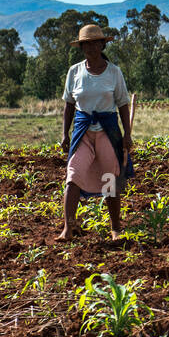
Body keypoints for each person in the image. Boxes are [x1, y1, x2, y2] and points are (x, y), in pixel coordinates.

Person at [57, 24, 133, 242]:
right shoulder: (75, 72)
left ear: (102, 44)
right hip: (83, 130)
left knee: (110, 177)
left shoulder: (114, 72)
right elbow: (69, 105)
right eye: (85, 44)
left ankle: (116, 228)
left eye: (94, 43)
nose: (90, 47)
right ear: (81, 47)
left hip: (107, 130)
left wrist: (127, 135)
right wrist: (65, 134)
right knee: (73, 175)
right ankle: (68, 229)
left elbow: (123, 105)